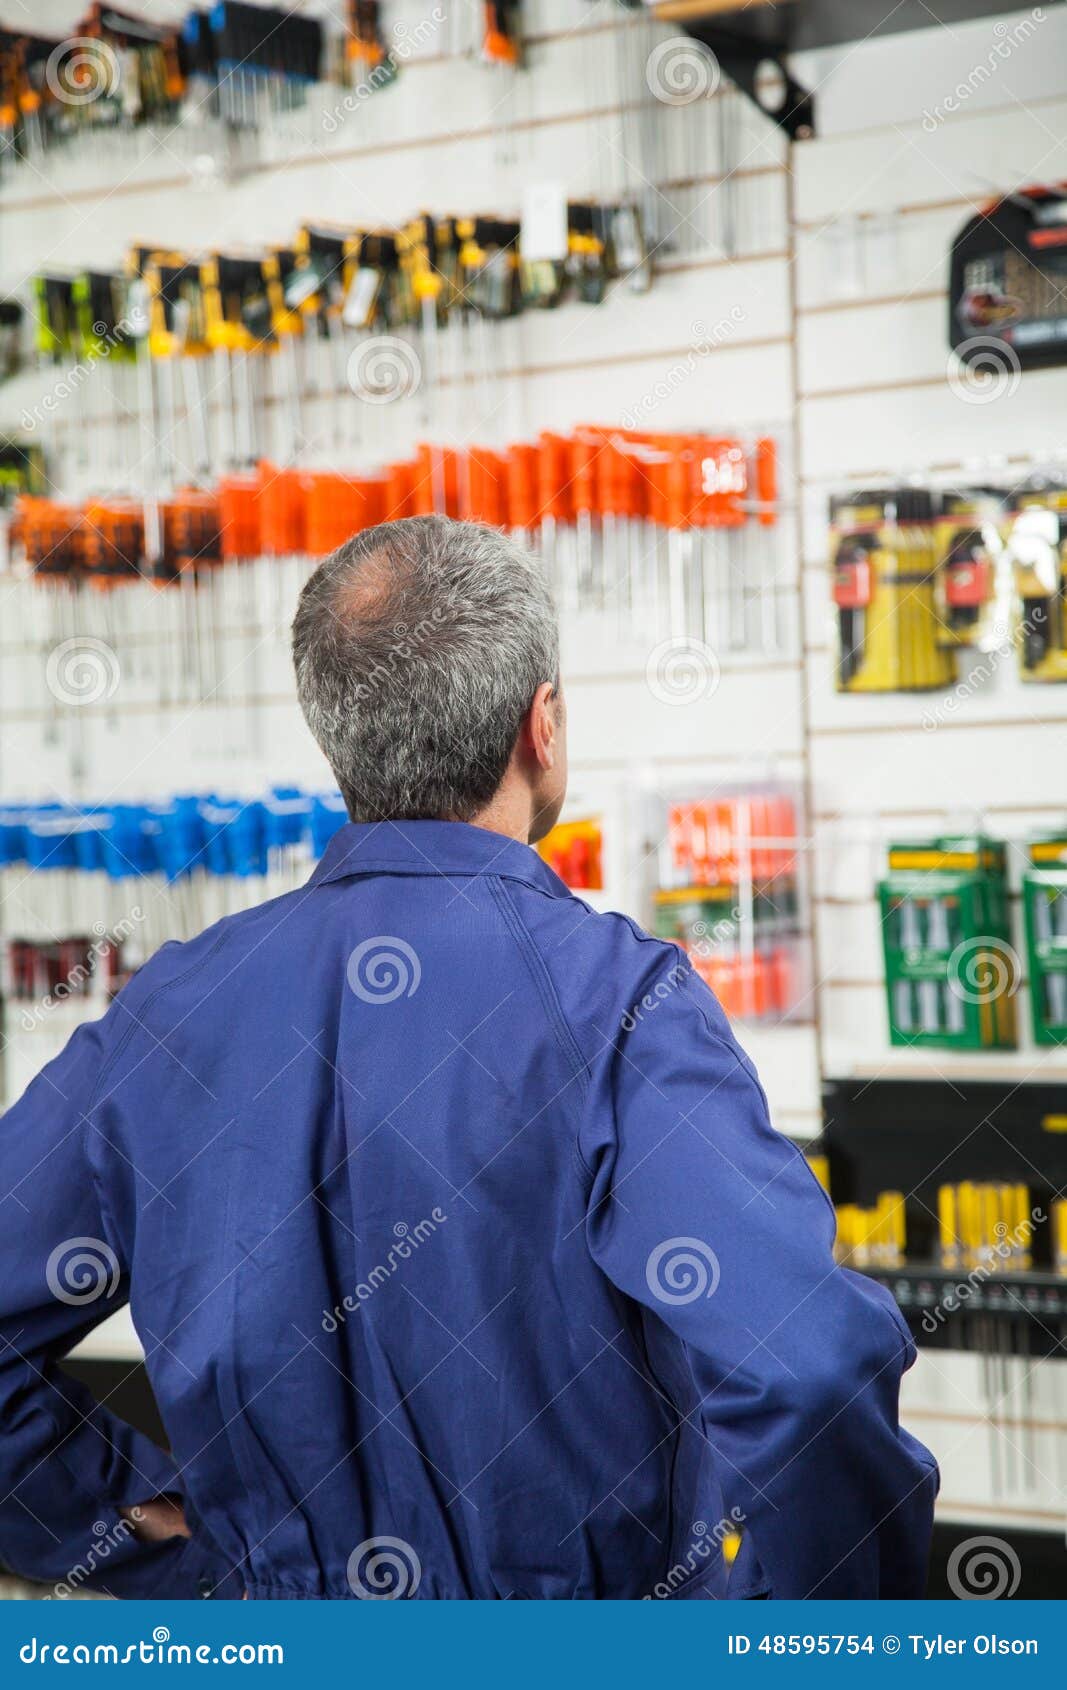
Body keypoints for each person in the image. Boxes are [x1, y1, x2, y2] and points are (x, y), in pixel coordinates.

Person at [0, 515, 936, 1600]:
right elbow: (808, 1368)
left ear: (337, 739)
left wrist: (157, 1543)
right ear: (542, 725)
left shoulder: (167, 1013)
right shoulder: (613, 1005)